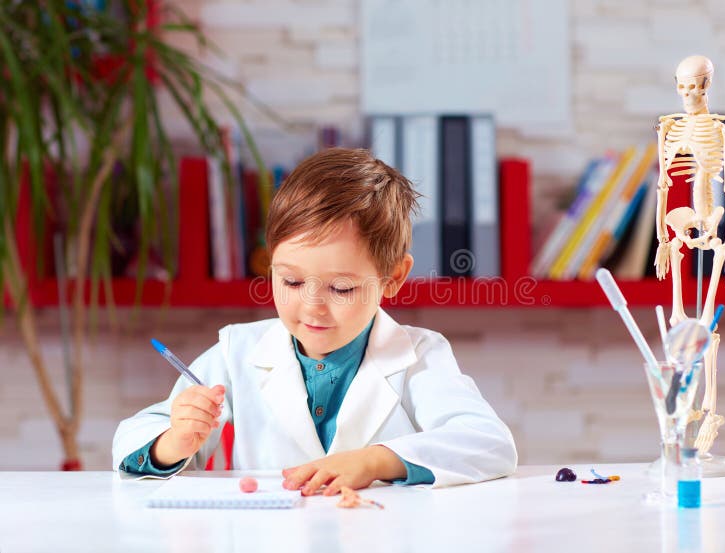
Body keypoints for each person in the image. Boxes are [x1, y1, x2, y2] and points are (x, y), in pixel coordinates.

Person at [112, 147, 517, 494]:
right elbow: (129, 440)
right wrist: (174, 442)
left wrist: (375, 462)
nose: (311, 307)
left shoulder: (419, 356)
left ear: (393, 278)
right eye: (290, 280)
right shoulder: (237, 353)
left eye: (341, 289)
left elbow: (489, 443)